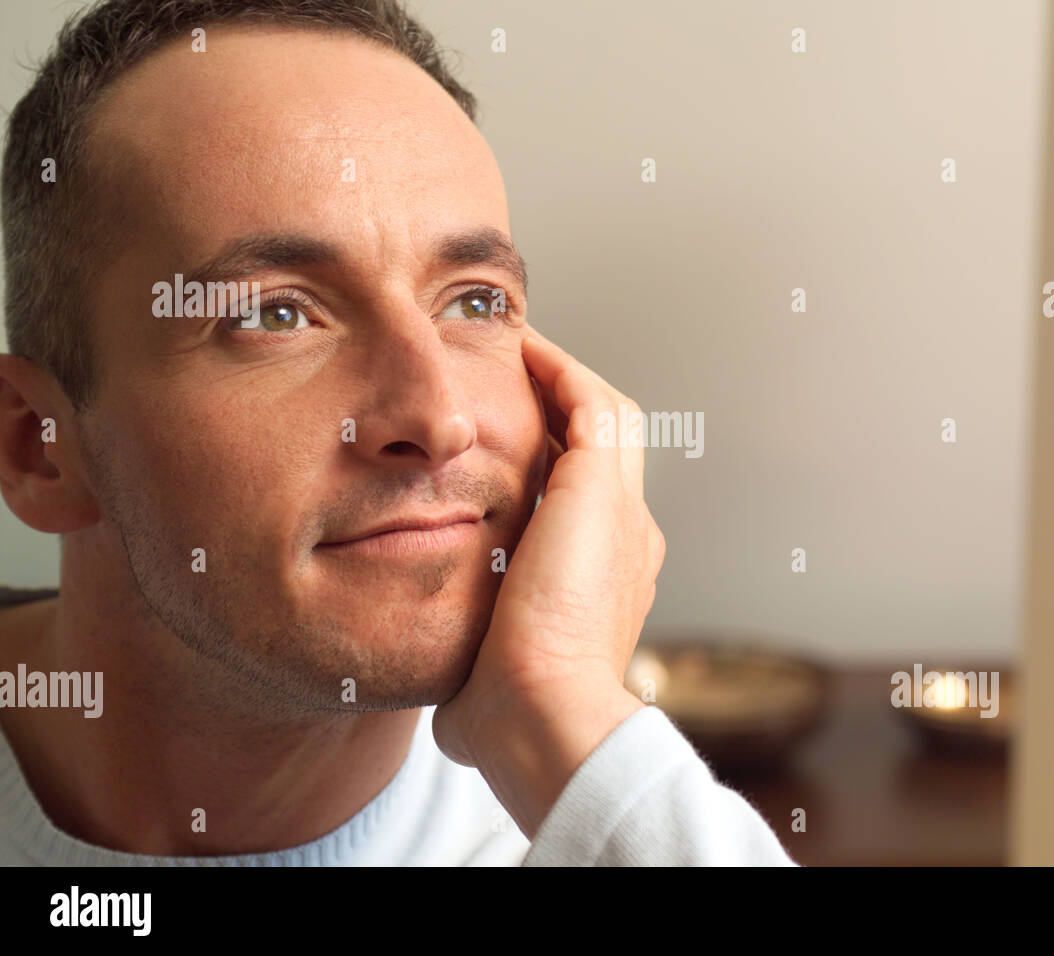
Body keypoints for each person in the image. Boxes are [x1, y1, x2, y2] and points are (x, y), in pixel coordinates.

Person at [0, 0, 795, 866]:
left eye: (475, 300)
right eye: (274, 314)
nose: (440, 417)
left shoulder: (592, 821)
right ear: (37, 447)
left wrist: (559, 712)